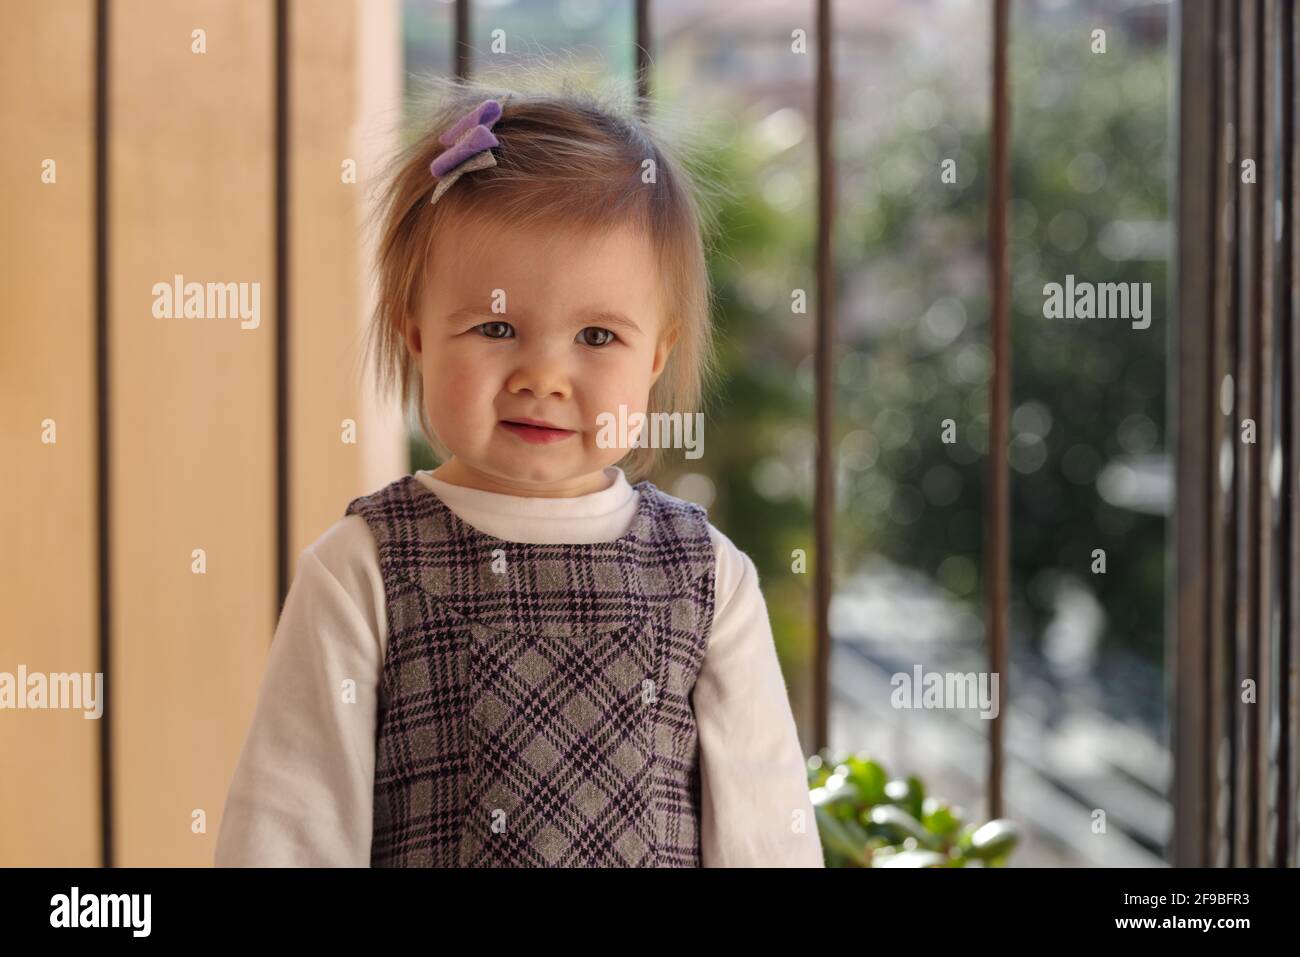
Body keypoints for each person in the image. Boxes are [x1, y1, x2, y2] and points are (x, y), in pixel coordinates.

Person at [214, 76, 823, 868]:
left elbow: (766, 830)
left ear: (657, 356)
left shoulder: (706, 578)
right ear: (419, 335)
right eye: (496, 326)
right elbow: (288, 829)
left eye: (598, 337)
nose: (544, 374)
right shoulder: (361, 571)